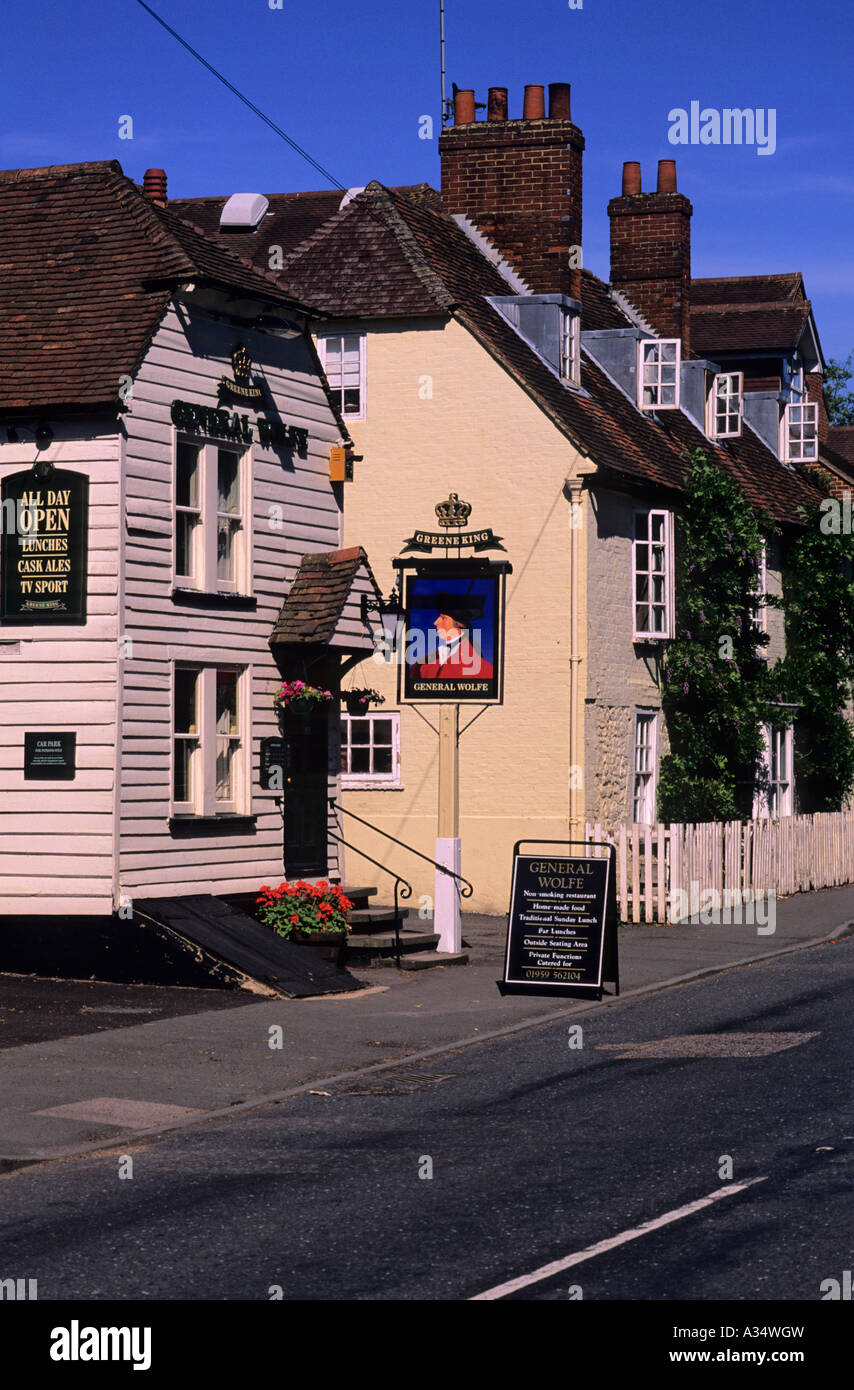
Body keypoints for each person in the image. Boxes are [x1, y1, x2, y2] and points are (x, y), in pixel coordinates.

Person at [412, 591, 494, 679]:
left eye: (443, 618)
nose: (435, 622)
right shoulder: (422, 665)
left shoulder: (482, 668)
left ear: (460, 624)